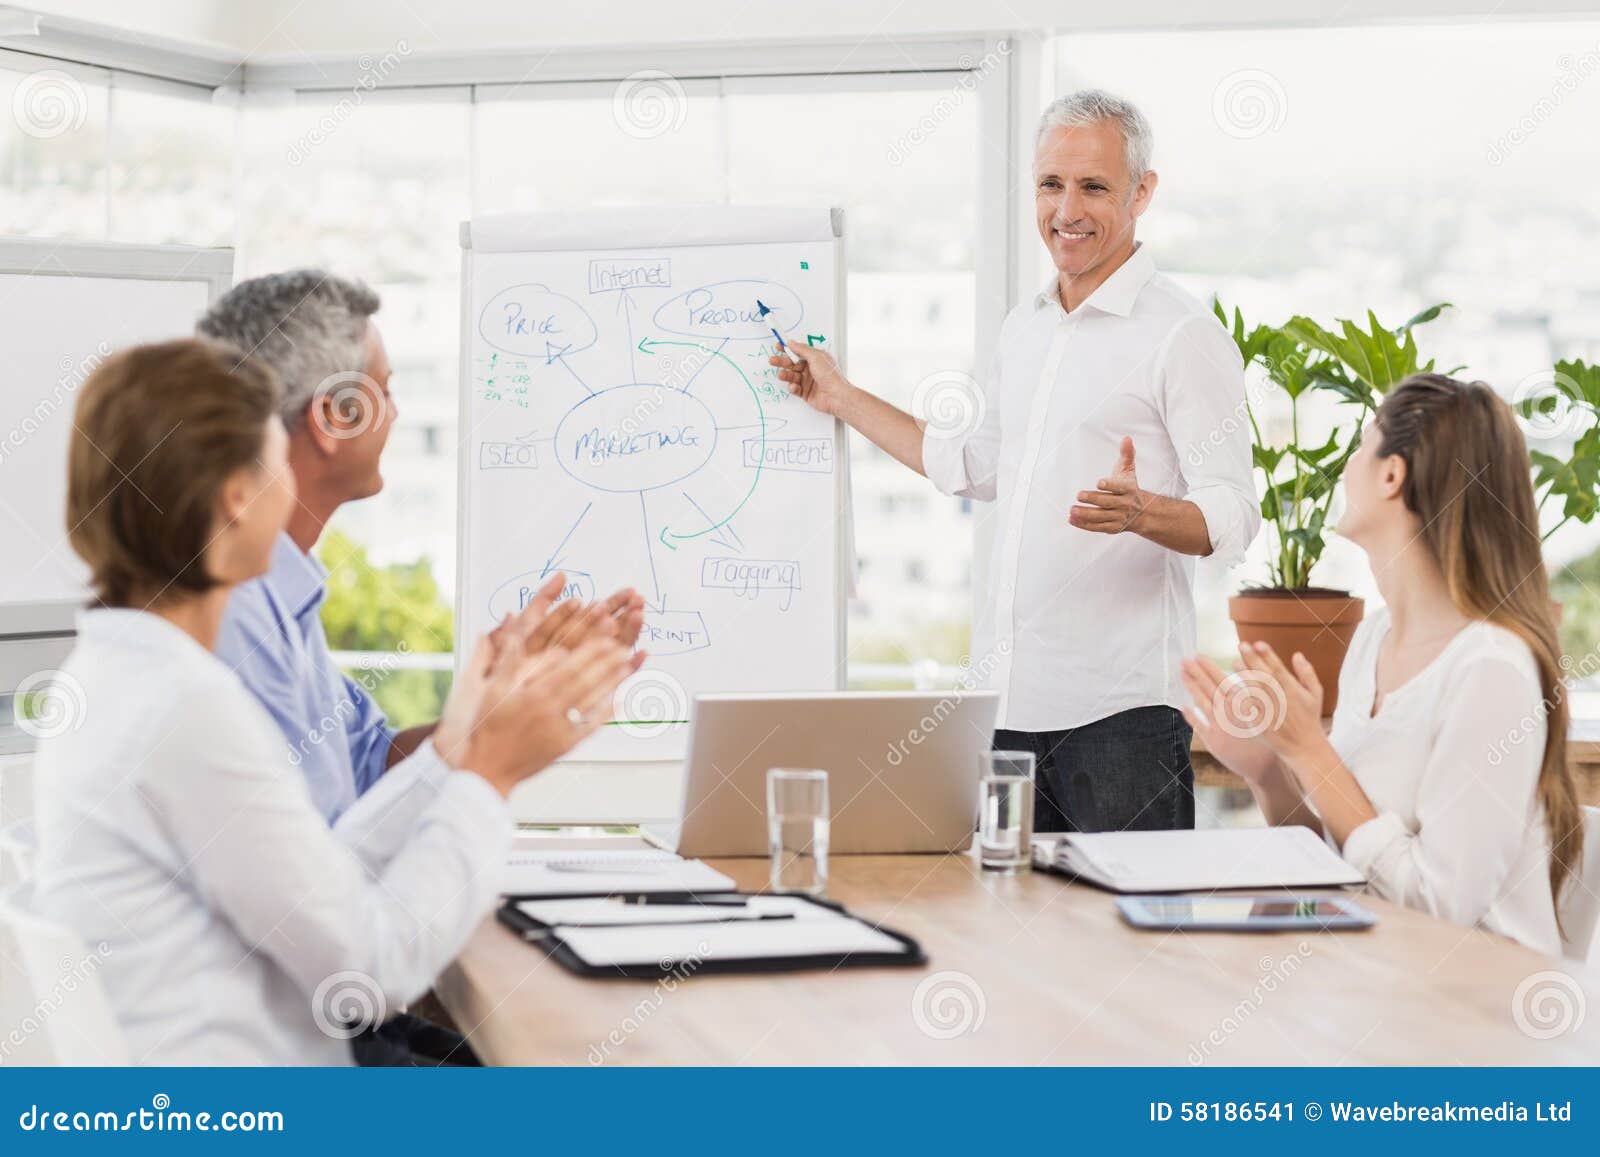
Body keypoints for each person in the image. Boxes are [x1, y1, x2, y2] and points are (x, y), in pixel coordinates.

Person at [30, 339, 637, 1064]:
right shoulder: (182, 707)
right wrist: (491, 775)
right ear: (237, 497)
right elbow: (368, 974)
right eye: (276, 463)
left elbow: (323, 875)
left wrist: (461, 743)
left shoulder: (126, 676)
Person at [774, 90, 1258, 833]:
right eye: (1050, 184)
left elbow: (1235, 512)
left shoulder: (1181, 333)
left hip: (1122, 722)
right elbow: (977, 464)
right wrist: (838, 396)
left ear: (1141, 192)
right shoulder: (1026, 327)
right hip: (1006, 714)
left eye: (1093, 186)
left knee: (1130, 915)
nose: (1067, 209)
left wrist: (1144, 512)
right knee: (1008, 910)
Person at [195, 271, 646, 823]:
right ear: (334, 417)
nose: (395, 414)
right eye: (384, 392)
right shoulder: (233, 617)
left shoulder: (285, 594)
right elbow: (309, 864)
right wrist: (492, 763)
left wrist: (493, 706)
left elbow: (369, 765)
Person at [1182, 374, 1585, 955]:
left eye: (1361, 446)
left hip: (1473, 997)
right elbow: (1339, 864)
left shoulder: (1491, 668)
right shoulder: (1374, 639)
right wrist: (1267, 769)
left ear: (1392, 475)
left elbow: (1440, 912)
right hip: (1375, 974)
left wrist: (1310, 751)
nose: (1348, 468)